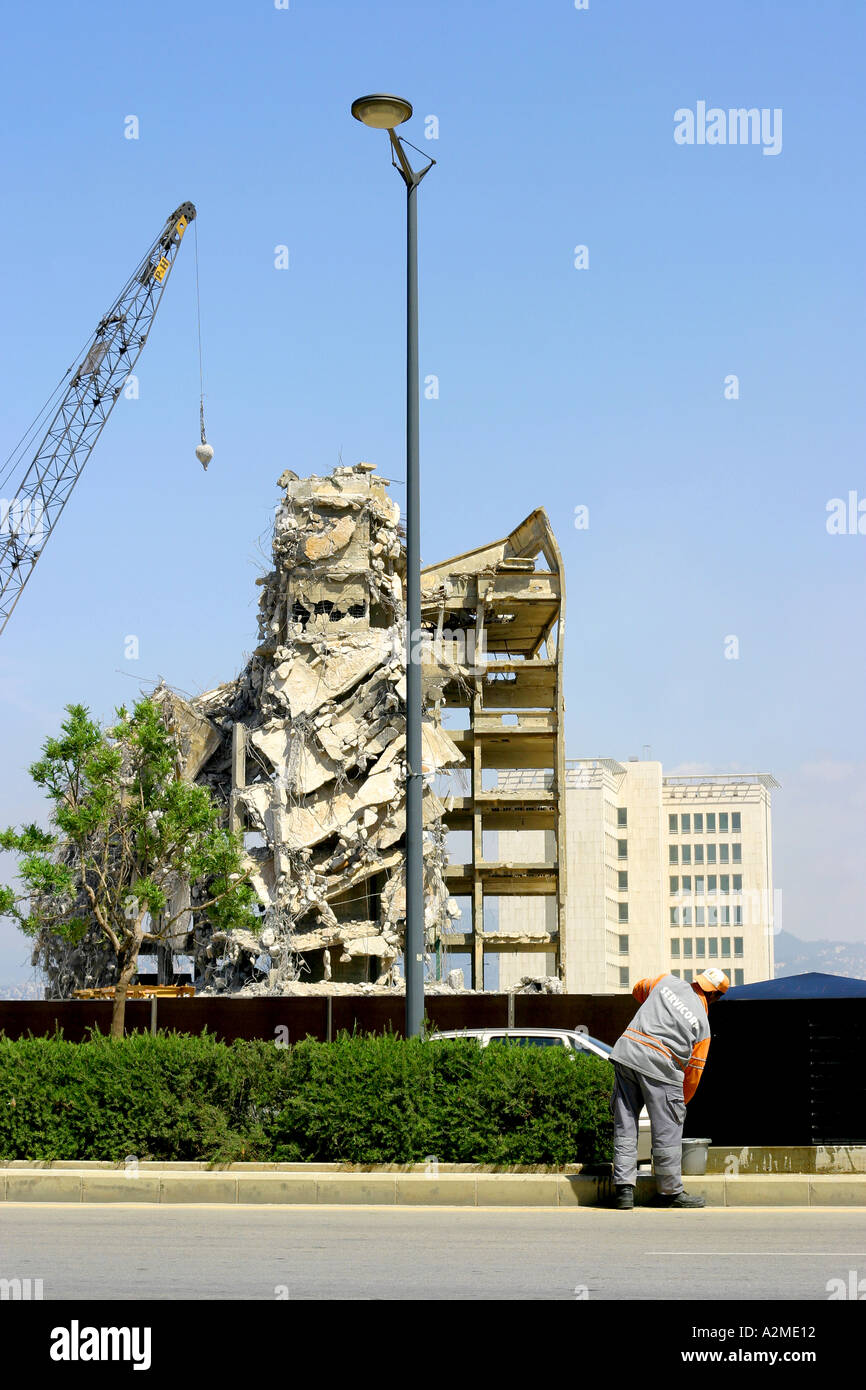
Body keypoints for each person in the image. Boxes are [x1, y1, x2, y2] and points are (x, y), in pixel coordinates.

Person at [609, 968, 730, 1209]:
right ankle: (669, 1193)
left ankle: (624, 1190)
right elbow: (694, 1071)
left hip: (627, 1053)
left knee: (626, 1123)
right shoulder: (702, 1025)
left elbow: (638, 988)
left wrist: (659, 1004)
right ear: (716, 996)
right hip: (661, 1067)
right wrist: (679, 1104)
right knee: (668, 1131)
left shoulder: (665, 981)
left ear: (698, 980)